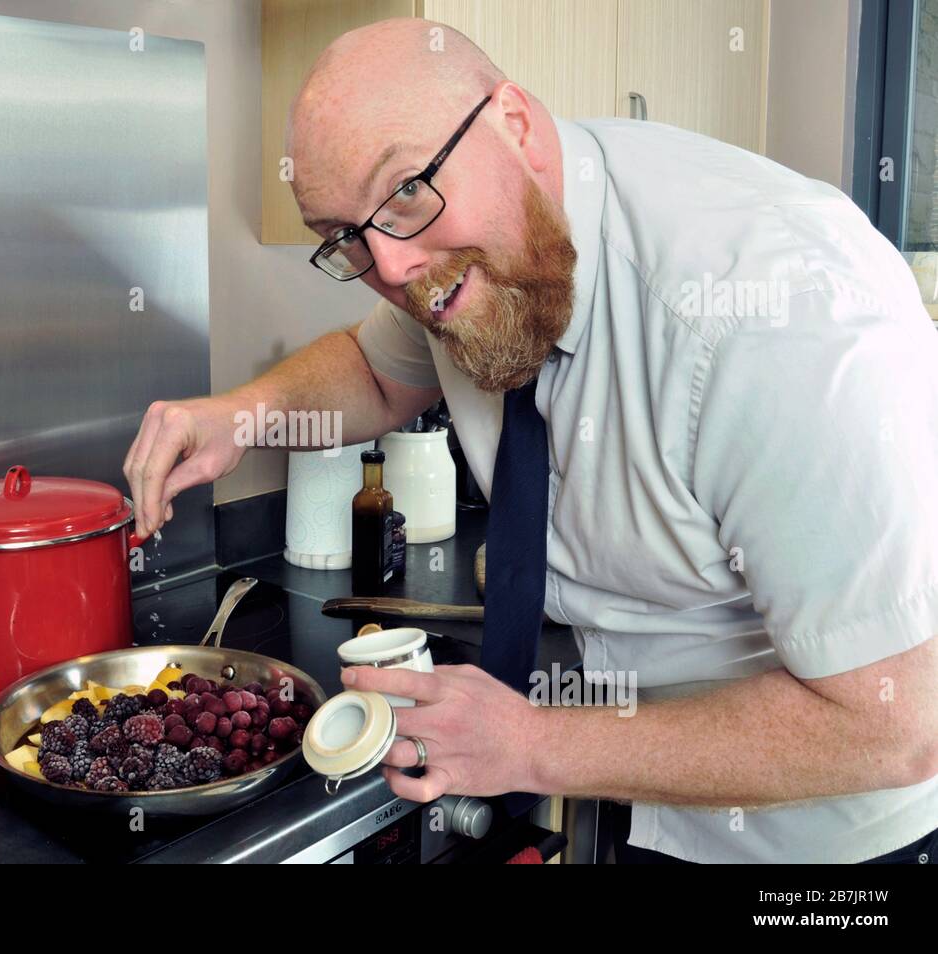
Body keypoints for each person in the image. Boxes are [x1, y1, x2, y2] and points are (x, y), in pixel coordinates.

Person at [122, 18, 938, 863]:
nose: (390, 271)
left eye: (404, 188)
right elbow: (374, 372)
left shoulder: (778, 316)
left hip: (815, 841)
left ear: (513, 122)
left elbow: (895, 725)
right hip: (642, 783)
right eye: (344, 238)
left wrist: (532, 743)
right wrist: (241, 414)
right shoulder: (472, 240)